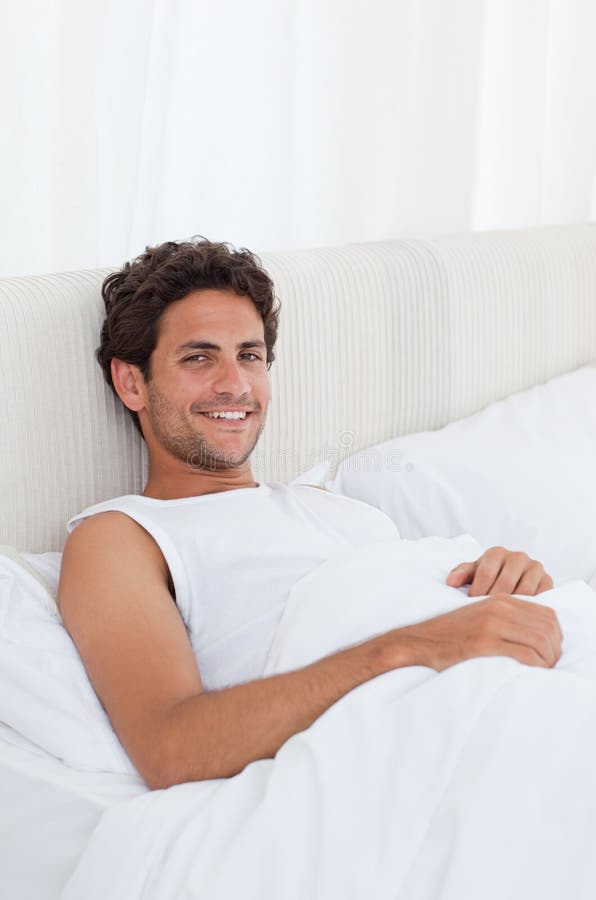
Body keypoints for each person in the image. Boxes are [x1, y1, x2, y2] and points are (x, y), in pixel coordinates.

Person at [58, 238, 560, 791]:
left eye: (249, 355)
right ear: (131, 382)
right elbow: (171, 748)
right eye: (199, 357)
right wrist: (414, 645)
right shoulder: (125, 535)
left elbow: (431, 611)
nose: (236, 384)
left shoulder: (342, 511)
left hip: (522, 683)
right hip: (419, 744)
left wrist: (506, 581)